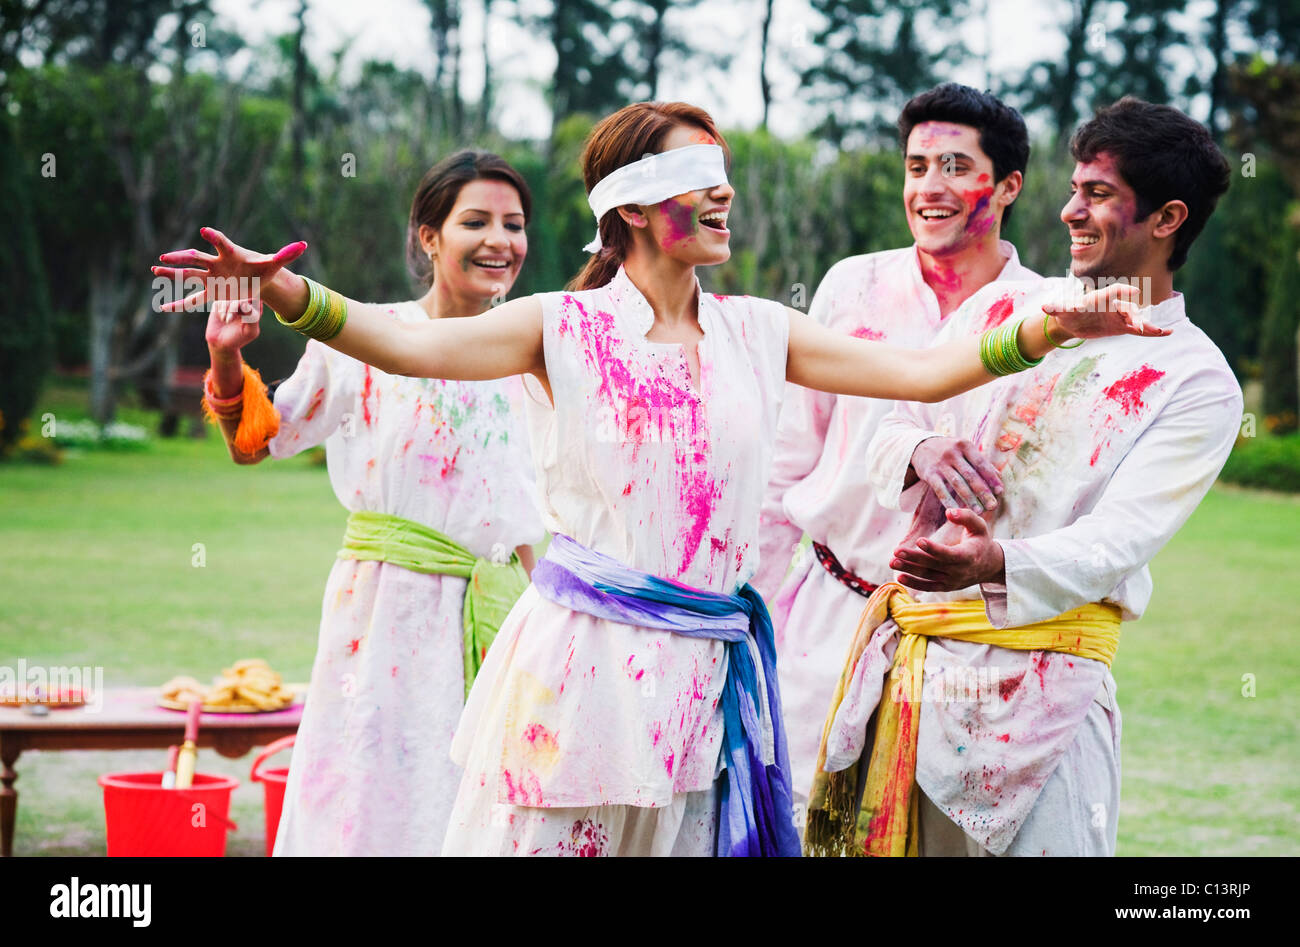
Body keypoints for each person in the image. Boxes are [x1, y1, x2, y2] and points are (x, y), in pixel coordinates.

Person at [154, 101, 1163, 857]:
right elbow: (402, 345)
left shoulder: (756, 331)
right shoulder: (563, 324)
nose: (723, 193)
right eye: (696, 175)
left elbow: (919, 371)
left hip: (705, 673)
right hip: (580, 665)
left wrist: (1043, 325)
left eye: (723, 173)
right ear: (628, 206)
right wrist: (287, 289)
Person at [805, 97, 1241, 857]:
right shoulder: (1011, 307)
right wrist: (919, 451)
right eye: (1075, 189)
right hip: (914, 685)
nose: (1071, 210)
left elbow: (1117, 542)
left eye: (1099, 194)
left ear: (1167, 218)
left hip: (1048, 705)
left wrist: (991, 562)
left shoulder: (1198, 380)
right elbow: (892, 424)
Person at [197, 150, 545, 856]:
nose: (499, 240)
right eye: (475, 220)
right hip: (386, 615)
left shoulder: (537, 354)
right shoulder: (363, 334)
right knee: (371, 799)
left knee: (486, 810)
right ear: (428, 236)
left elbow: (535, 509)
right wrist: (228, 359)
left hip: (506, 621)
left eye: (514, 223)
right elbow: (257, 440)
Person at [754, 84, 1042, 807]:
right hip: (828, 614)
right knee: (798, 826)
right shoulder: (852, 286)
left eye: (954, 165)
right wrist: (747, 618)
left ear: (1007, 185)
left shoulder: (1043, 317)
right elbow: (785, 460)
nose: (929, 187)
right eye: (916, 167)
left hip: (968, 640)